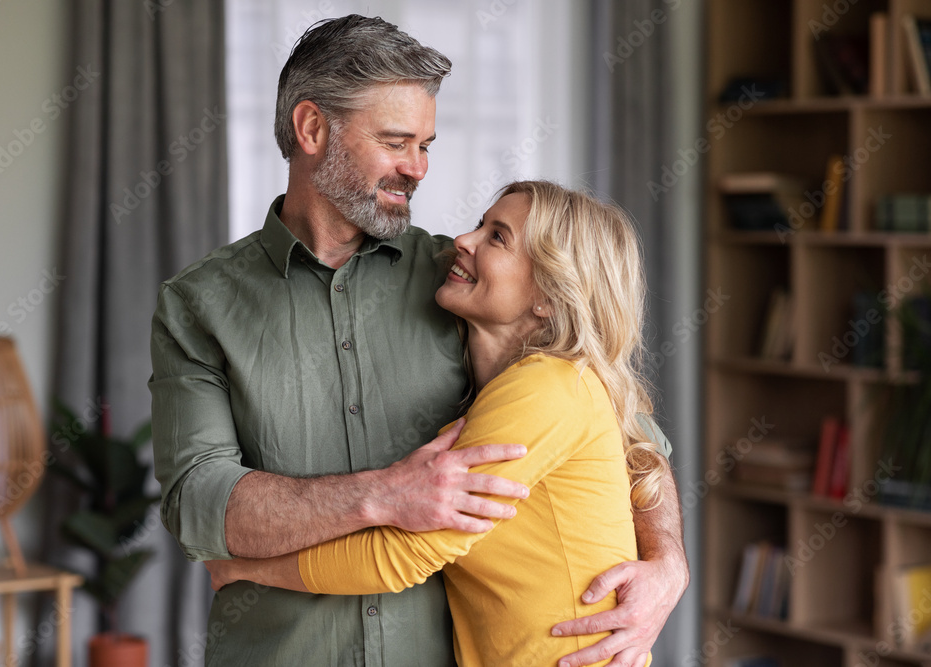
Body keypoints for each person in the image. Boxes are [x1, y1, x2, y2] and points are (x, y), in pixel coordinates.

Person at [150, 14, 687, 667]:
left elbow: (628, 430)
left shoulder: (459, 283)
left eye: (426, 144)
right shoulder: (199, 304)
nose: (419, 167)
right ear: (313, 129)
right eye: (398, 141)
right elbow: (199, 500)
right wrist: (379, 492)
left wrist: (665, 562)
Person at [206, 180, 667, 667]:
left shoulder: (548, 389)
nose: (463, 241)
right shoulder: (526, 390)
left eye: (498, 237)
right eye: (479, 225)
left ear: (548, 297)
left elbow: (401, 556)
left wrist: (243, 568)